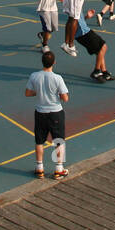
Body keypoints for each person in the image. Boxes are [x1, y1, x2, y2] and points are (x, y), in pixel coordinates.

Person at [25, 50, 70, 179]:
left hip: (40, 112)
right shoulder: (57, 78)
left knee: (39, 140)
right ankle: (59, 168)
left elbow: (28, 93)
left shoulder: (34, 76)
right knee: (58, 140)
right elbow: (65, 98)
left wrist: (38, 93)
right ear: (54, 63)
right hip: (55, 112)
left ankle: (39, 168)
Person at [76, 9, 115, 82]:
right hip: (83, 33)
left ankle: (104, 72)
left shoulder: (78, 4)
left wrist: (86, 17)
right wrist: (69, 42)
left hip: (84, 31)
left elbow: (79, 21)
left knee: (99, 51)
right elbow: (72, 22)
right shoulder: (74, 5)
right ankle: (96, 71)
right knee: (103, 47)